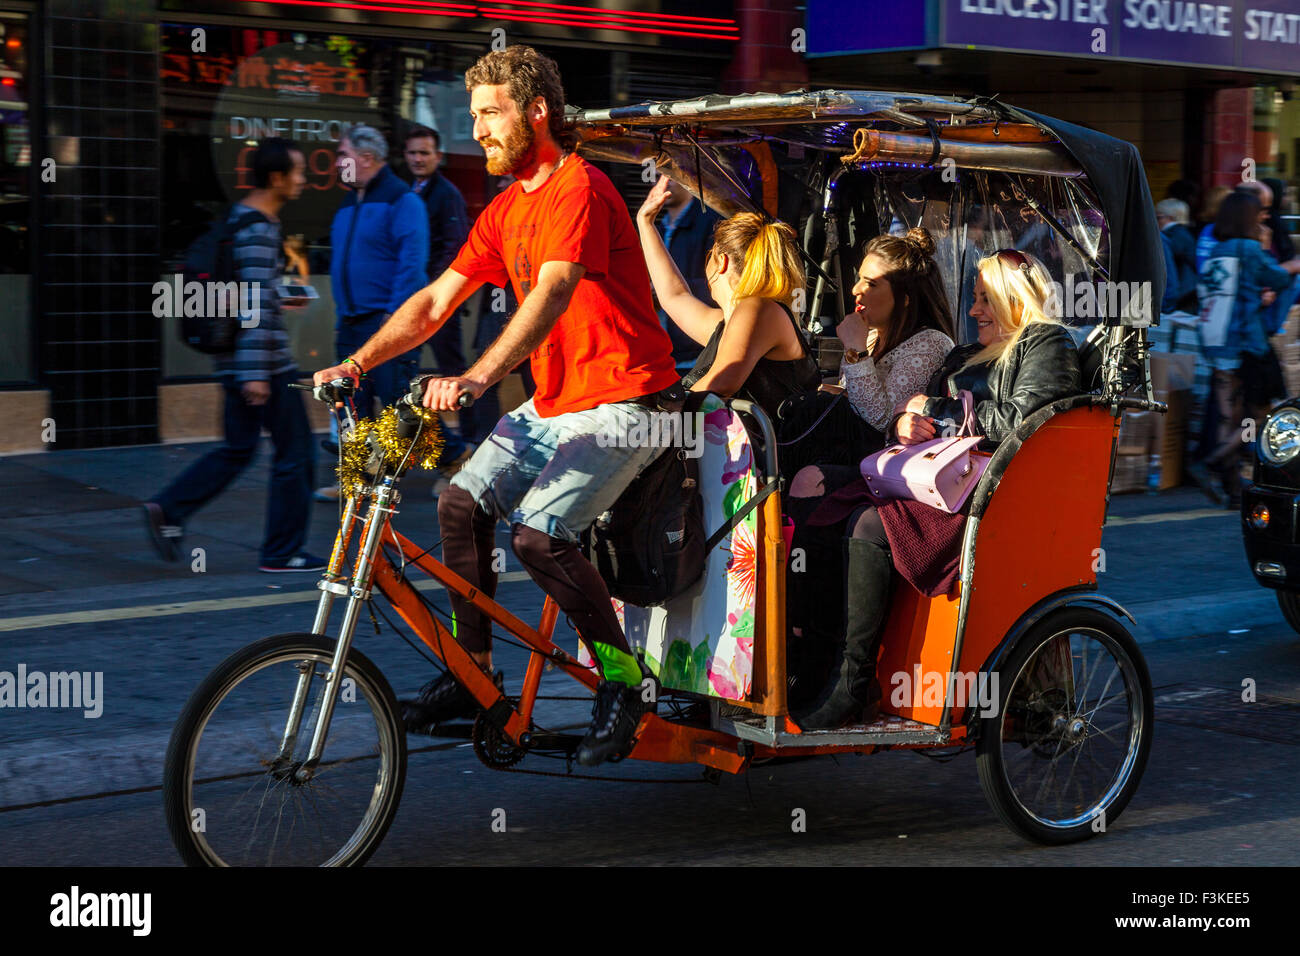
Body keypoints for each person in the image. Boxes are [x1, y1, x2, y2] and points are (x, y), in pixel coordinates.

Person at [312, 45, 681, 766]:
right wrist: (357, 364)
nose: (476, 130)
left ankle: (623, 678)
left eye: (489, 113)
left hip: (628, 400)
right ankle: (472, 671)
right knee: (457, 504)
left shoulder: (579, 187)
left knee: (540, 537)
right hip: (557, 403)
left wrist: (477, 379)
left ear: (537, 111)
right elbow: (434, 303)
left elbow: (551, 293)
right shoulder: (506, 208)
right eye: (473, 115)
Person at [791, 250, 1080, 729]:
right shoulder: (965, 354)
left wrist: (940, 412)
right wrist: (908, 423)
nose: (974, 311)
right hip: (931, 480)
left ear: (1015, 299)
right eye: (975, 299)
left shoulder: (1047, 342)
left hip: (986, 495)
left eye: (986, 300)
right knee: (815, 490)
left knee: (867, 522)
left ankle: (851, 685)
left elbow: (1025, 423)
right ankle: (810, 659)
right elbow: (913, 414)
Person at [782, 229, 955, 685]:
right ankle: (794, 629)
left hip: (889, 471)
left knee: (809, 482)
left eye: (872, 283)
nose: (857, 291)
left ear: (903, 296)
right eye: (859, 279)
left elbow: (880, 419)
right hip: (857, 459)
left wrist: (855, 352)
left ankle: (813, 645)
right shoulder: (875, 334)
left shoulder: (931, 343)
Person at [144, 139, 323, 572]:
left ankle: (169, 508)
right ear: (277, 178)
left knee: (238, 449)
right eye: (298, 172)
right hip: (265, 365)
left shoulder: (237, 219)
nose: (303, 180)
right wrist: (255, 376)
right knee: (297, 454)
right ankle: (283, 552)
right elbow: (253, 308)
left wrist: (282, 295)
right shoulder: (260, 228)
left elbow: (248, 294)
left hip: (237, 360)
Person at [637, 175, 819, 424]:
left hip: (777, 458)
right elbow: (674, 296)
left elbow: (721, 383)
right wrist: (645, 223)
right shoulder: (731, 322)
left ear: (720, 261)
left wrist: (659, 418)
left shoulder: (758, 308)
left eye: (709, 254)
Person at [1197, 190, 1300, 505]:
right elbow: (1278, 279)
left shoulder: (1218, 251)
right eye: (1259, 213)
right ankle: (1213, 461)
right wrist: (1293, 263)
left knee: (1229, 419)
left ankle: (1230, 488)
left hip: (1218, 345)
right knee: (1260, 414)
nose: (1264, 218)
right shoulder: (1248, 248)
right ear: (1247, 218)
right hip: (1248, 344)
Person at [402, 124, 478, 486]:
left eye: (424, 153)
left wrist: (433, 293)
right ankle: (449, 450)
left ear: (438, 156)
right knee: (413, 374)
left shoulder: (445, 194)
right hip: (419, 300)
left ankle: (465, 452)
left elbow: (454, 246)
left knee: (452, 373)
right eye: (412, 153)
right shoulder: (409, 191)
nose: (418, 159)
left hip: (438, 301)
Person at [648, 177, 722, 370]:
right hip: (665, 353)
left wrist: (665, 290)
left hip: (697, 353)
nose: (662, 180)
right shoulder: (658, 227)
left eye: (669, 174)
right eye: (657, 175)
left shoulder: (711, 222)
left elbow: (723, 285)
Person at [1156, 198, 1198, 313]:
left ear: (1171, 217)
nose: (1156, 221)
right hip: (1185, 292)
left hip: (1181, 294)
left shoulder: (1172, 235)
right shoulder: (1184, 233)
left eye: (1158, 217)